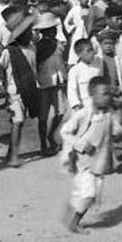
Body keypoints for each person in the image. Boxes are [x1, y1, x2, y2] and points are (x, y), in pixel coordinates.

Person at [58, 76, 122, 234]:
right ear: (92, 95)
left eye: (108, 94)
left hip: (99, 162)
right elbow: (64, 131)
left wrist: (119, 113)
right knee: (89, 193)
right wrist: (81, 144)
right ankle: (74, 223)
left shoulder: (108, 114)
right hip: (81, 162)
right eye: (103, 94)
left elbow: (117, 131)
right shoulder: (84, 114)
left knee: (91, 195)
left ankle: (71, 209)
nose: (106, 97)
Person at [0, 8, 40, 167]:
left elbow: (35, 69)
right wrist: (0, 85)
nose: (30, 34)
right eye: (27, 31)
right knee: (18, 120)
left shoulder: (32, 48)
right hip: (13, 91)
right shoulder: (10, 52)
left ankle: (11, 153)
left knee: (20, 121)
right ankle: (14, 155)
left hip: (28, 89)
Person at [34, 12, 68, 156]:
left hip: (58, 81)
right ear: (44, 32)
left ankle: (50, 135)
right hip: (44, 83)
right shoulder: (40, 46)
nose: (54, 31)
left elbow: (61, 62)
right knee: (43, 115)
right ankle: (43, 144)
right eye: (51, 29)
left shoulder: (58, 43)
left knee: (60, 112)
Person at [66, 38, 102, 113]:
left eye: (92, 50)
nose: (92, 53)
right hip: (85, 106)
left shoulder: (99, 63)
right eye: (88, 51)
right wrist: (77, 105)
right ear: (79, 54)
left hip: (100, 104)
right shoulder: (75, 70)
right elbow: (72, 90)